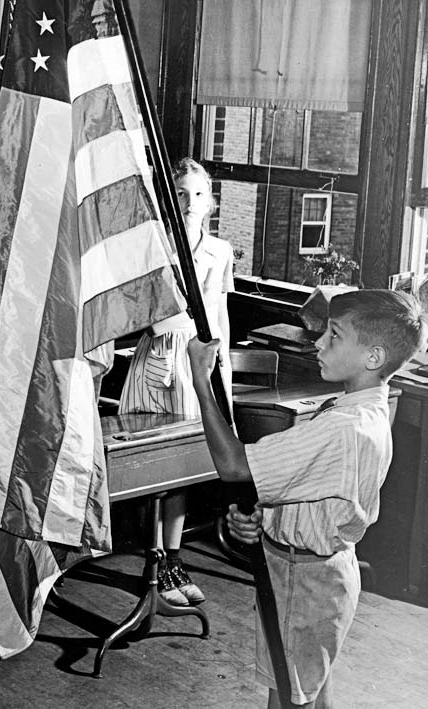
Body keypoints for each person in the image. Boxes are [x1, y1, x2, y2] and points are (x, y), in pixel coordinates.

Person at [188, 289, 426, 708]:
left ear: (373, 357)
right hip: (317, 574)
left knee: (288, 699)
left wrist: (201, 383)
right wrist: (265, 517)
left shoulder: (344, 426)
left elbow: (234, 466)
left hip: (305, 584)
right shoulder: (363, 411)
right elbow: (311, 488)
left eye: (334, 335)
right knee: (311, 694)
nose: (318, 343)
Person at [118, 157, 233, 606]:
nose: (189, 202)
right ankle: (154, 562)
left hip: (198, 362)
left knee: (182, 468)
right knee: (154, 465)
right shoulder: (156, 248)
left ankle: (173, 560)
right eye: (181, 194)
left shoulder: (220, 251)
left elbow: (219, 315)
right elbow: (144, 315)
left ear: (211, 202)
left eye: (198, 194)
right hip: (160, 360)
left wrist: (222, 371)